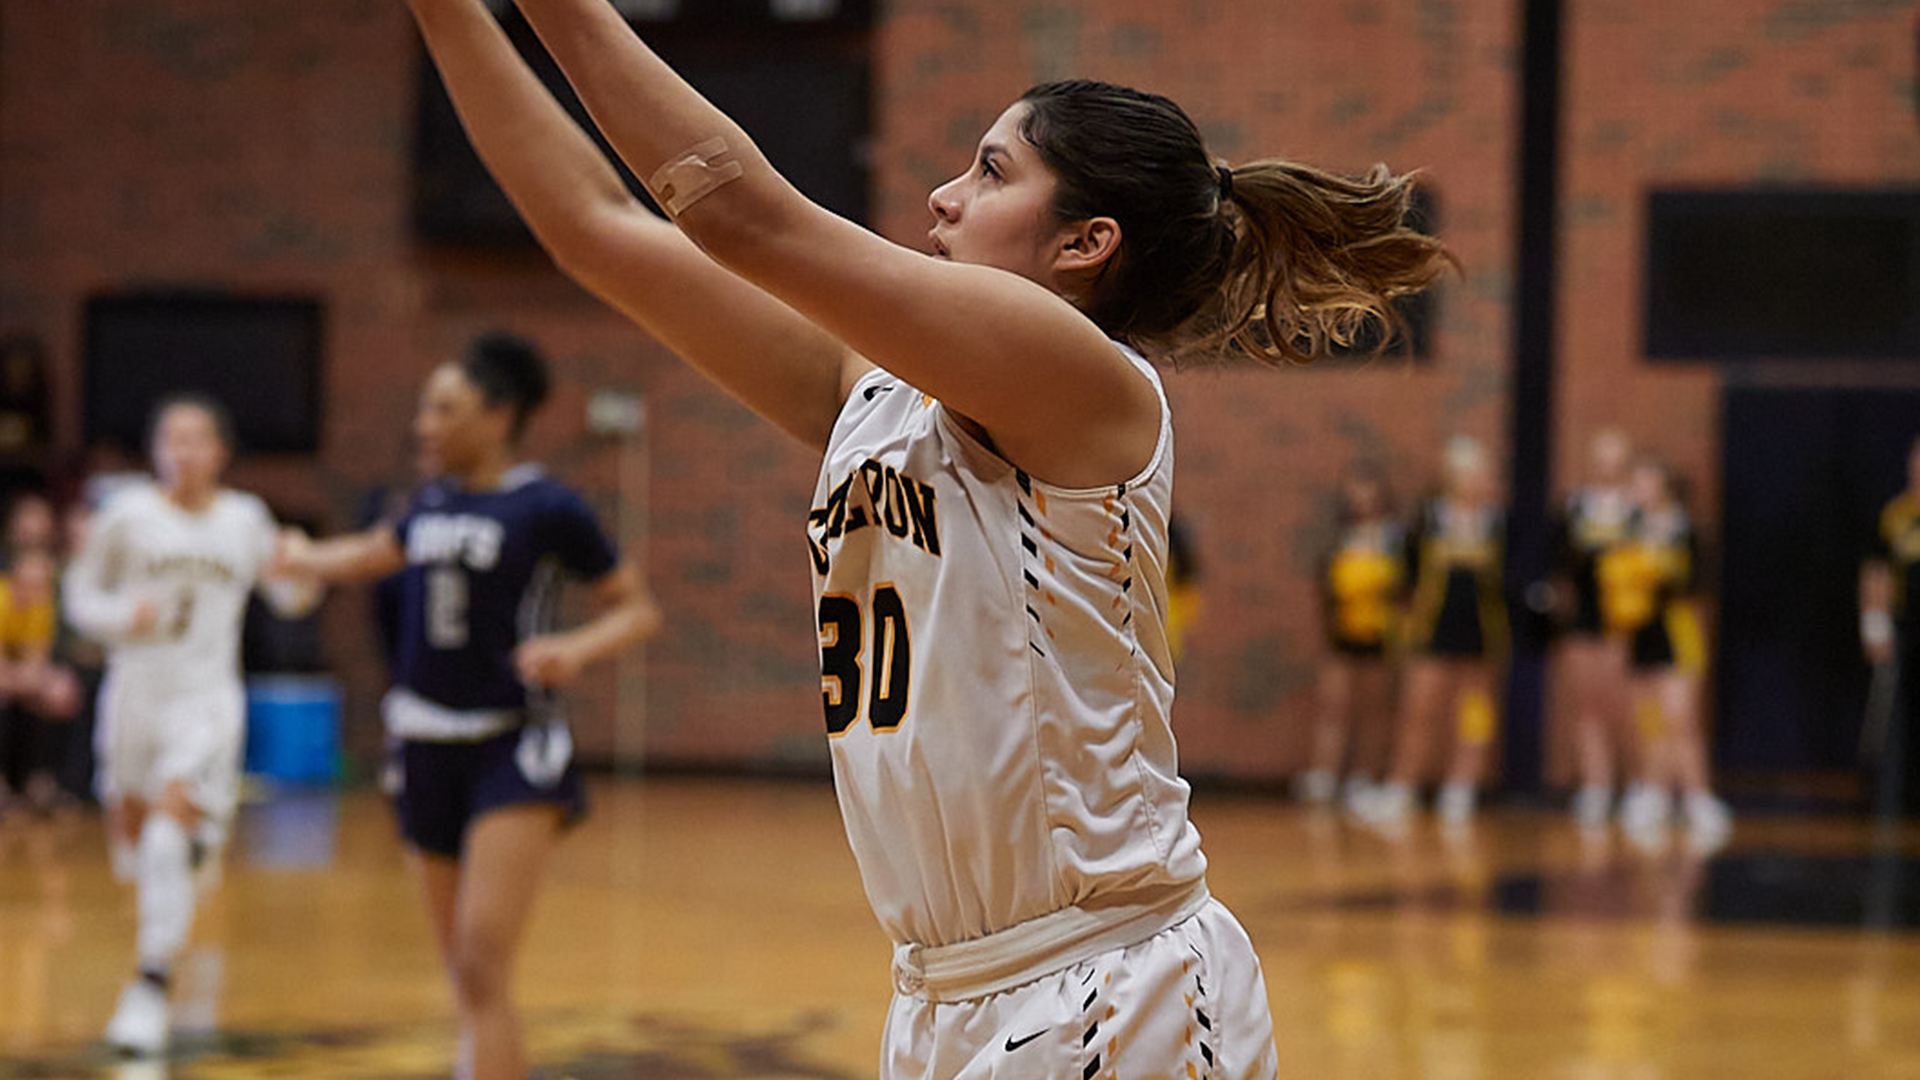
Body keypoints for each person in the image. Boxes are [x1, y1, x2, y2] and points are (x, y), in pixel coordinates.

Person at [398, 1, 1448, 1075]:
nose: (945, 196)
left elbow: (738, 214)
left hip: (1107, 984)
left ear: (1087, 244)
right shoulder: (876, 385)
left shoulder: (1083, 374)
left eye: (992, 173)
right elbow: (591, 226)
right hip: (942, 992)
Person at [274, 332, 659, 1080]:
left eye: (444, 408)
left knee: (483, 961)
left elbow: (636, 609)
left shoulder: (547, 506)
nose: (425, 425)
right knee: (468, 977)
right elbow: (364, 555)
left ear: (498, 413)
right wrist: (296, 558)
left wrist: (575, 650)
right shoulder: (429, 503)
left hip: (512, 744)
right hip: (423, 746)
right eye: (424, 409)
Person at [61, 395, 321, 1055]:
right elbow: (80, 597)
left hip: (205, 701)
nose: (184, 452)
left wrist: (303, 566)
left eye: (196, 439)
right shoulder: (125, 517)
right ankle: (189, 850)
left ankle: (149, 987)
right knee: (131, 845)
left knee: (162, 841)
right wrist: (125, 616)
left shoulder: (244, 519)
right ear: (156, 451)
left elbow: (289, 597)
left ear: (221, 452)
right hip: (134, 698)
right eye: (171, 440)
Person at [1358, 436, 1507, 829]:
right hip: (1432, 629)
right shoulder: (1430, 519)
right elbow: (1406, 576)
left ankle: (1462, 789)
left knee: (1474, 713)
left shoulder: (1495, 523)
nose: (1477, 480)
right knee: (1419, 709)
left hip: (1482, 633)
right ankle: (1401, 788)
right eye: (1468, 472)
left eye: (1480, 472)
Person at [1606, 457, 1729, 844]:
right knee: (1650, 720)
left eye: (1645, 481)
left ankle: (1698, 797)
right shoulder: (1629, 529)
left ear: (1663, 485)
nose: (1638, 490)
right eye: (1634, 482)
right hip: (1642, 634)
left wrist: (1653, 575)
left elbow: (1699, 585)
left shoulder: (1685, 530)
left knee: (1680, 717)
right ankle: (1653, 793)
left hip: (1680, 631)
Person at [1297, 467, 1403, 809]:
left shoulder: (1393, 540)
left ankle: (1364, 776)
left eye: (1369, 492)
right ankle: (1323, 774)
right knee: (1334, 704)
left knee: (1373, 708)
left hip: (1379, 634)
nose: (1362, 500)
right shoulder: (1339, 538)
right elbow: (1326, 584)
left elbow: (1402, 587)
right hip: (1342, 633)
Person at [1553, 429, 1637, 828]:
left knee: (1624, 705)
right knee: (1587, 705)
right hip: (1584, 620)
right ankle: (1596, 785)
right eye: (1600, 457)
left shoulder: (1638, 509)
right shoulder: (1574, 507)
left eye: (1614, 457)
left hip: (1625, 620)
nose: (1607, 466)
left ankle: (1636, 783)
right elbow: (1560, 569)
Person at [1863, 437, 1920, 814]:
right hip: (1909, 627)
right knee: (1904, 712)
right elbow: (1877, 571)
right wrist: (1874, 622)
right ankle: (1898, 796)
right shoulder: (1895, 515)